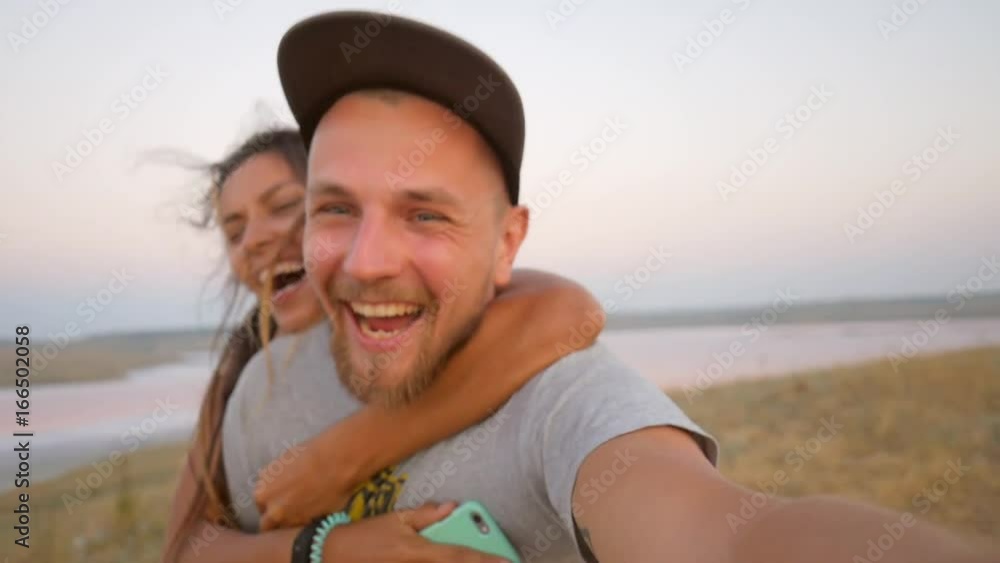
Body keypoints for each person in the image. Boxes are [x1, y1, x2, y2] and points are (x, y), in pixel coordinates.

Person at [217, 11, 995, 563]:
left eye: (425, 213)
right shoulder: (260, 386)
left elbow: (724, 535)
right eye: (336, 208)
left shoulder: (566, 400)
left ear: (508, 244)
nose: (368, 260)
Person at [161, 126, 608, 562]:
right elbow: (184, 548)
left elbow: (571, 310)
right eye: (234, 231)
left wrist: (339, 458)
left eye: (283, 206)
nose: (254, 240)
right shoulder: (240, 379)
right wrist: (325, 548)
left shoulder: (442, 312)